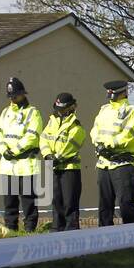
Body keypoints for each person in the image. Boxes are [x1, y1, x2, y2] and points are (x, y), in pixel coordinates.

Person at [0, 77, 43, 232]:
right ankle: (10, 231)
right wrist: (3, 150)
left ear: (22, 94)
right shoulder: (5, 112)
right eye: (11, 96)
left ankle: (29, 231)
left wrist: (14, 151)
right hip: (8, 166)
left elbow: (32, 135)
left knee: (28, 203)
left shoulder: (33, 113)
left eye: (15, 96)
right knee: (9, 203)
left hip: (26, 165)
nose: (13, 99)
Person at [90, 79, 134, 226]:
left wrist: (107, 145)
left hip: (123, 164)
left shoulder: (132, 111)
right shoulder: (104, 110)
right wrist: (98, 143)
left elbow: (129, 134)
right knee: (104, 205)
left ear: (123, 92)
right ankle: (105, 236)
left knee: (126, 203)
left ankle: (131, 237)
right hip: (103, 164)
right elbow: (95, 130)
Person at [41, 92, 86, 231]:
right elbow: (43, 138)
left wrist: (57, 158)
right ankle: (56, 229)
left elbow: (70, 146)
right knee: (56, 201)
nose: (59, 111)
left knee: (69, 203)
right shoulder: (52, 121)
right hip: (55, 168)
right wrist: (47, 155)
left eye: (63, 108)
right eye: (58, 108)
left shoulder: (75, 126)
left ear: (71, 107)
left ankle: (71, 232)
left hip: (69, 168)